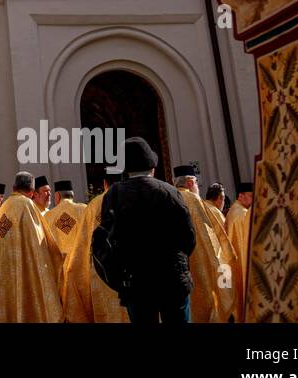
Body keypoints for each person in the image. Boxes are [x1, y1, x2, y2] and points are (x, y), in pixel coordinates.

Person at [99, 138, 196, 324]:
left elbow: (107, 239)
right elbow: (188, 237)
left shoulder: (114, 195)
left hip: (136, 282)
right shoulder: (170, 191)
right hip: (173, 279)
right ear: (153, 167)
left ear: (125, 169)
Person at [0, 172, 64, 322]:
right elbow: (38, 240)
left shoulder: (5, 206)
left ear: (14, 187)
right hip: (25, 268)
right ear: (32, 192)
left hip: (5, 270)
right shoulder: (27, 205)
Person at [174, 164, 237, 323]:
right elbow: (206, 235)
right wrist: (219, 260)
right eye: (196, 182)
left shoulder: (172, 195)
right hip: (198, 261)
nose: (197, 186)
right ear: (189, 182)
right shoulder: (192, 198)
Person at [62, 172, 127, 323]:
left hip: (103, 274)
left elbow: (82, 247)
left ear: (105, 183)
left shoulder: (93, 206)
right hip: (132, 273)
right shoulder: (132, 198)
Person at [42, 179, 88, 270]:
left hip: (60, 268)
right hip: (82, 265)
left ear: (58, 196)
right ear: (72, 195)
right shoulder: (84, 209)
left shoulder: (48, 216)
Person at [224, 182, 253, 319]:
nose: (252, 199)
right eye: (250, 196)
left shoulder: (234, 210)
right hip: (242, 262)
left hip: (233, 263)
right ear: (241, 196)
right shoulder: (242, 214)